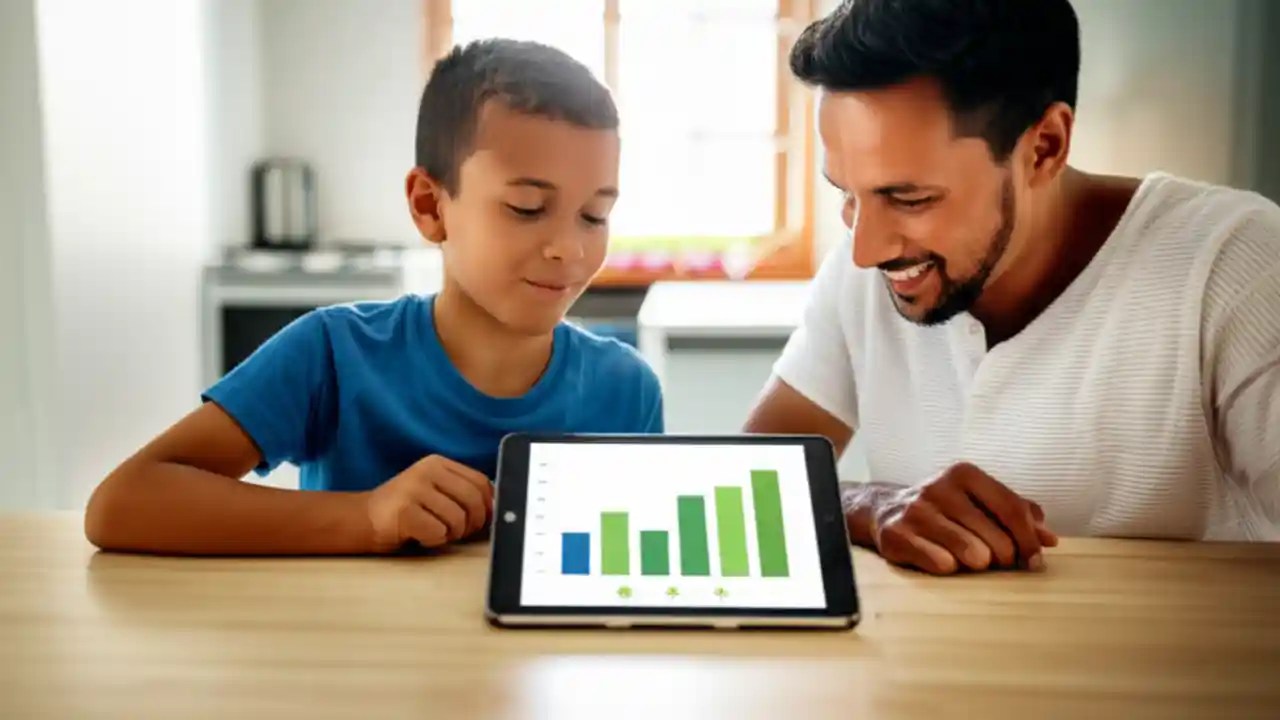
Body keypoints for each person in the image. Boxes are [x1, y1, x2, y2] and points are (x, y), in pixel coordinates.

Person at [745, 0, 1280, 575]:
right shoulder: (865, 269)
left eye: (911, 199)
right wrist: (863, 504)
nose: (866, 249)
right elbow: (746, 479)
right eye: (847, 193)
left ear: (1044, 146)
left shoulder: (1237, 263)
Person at [85, 39, 663, 555]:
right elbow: (122, 505)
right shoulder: (334, 353)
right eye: (527, 209)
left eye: (595, 215)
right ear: (430, 207)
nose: (569, 248)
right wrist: (364, 516)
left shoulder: (627, 390)